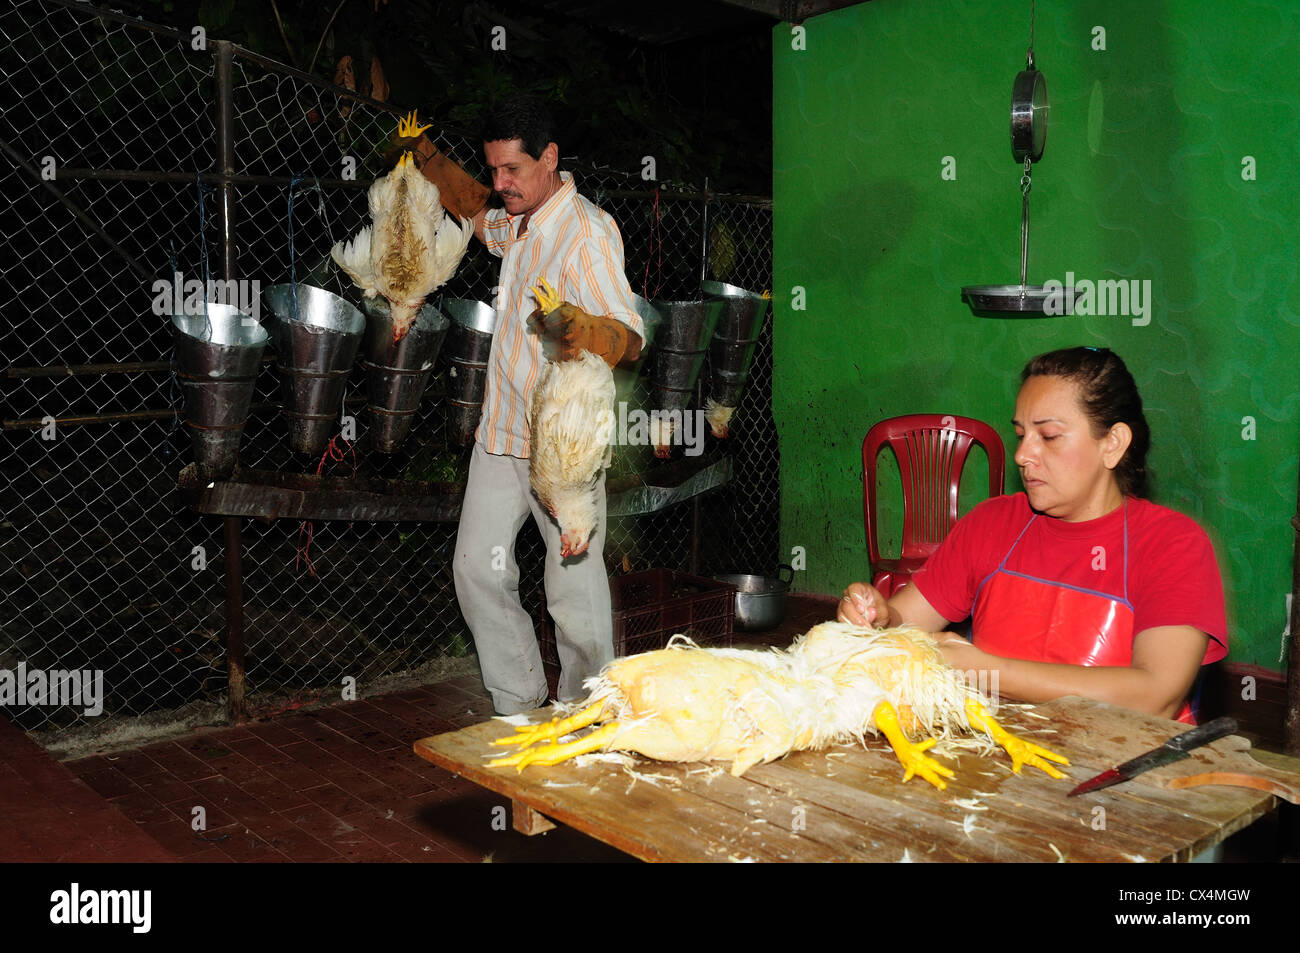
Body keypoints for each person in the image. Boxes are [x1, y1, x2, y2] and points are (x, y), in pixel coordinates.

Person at [837, 346, 1227, 724]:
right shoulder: (993, 523)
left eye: (1050, 436)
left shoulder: (1173, 545)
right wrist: (878, 618)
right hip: (1004, 760)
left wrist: (986, 671)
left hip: (1129, 772)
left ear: (1113, 444)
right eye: (1021, 434)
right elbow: (906, 623)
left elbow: (1155, 696)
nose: (1023, 454)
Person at [422, 94, 644, 715]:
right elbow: (475, 212)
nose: (500, 184)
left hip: (560, 445)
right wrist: (427, 158)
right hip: (501, 433)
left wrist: (585, 329)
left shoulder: (588, 234)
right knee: (476, 570)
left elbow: (632, 339)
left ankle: (586, 708)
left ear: (549, 159)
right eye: (493, 169)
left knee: (571, 589)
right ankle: (519, 700)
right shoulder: (516, 221)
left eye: (512, 170)